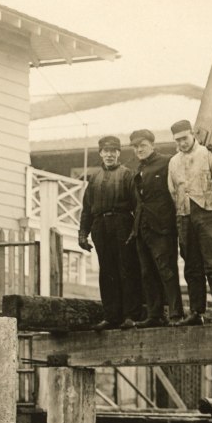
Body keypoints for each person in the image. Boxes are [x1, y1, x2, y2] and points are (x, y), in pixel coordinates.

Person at [167, 119, 212, 324]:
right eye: (178, 140)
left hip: (208, 214)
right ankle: (197, 313)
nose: (182, 143)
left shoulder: (209, 155)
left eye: (185, 138)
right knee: (191, 266)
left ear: (192, 134)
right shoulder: (173, 162)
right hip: (184, 216)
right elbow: (172, 190)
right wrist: (182, 211)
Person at [76, 135, 144, 328]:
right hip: (100, 226)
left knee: (127, 269)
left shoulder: (127, 175)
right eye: (106, 151)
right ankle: (111, 316)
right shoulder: (94, 178)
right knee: (107, 271)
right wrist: (83, 234)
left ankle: (131, 315)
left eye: (113, 151)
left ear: (119, 153)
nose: (109, 155)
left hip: (122, 223)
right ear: (100, 154)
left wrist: (134, 229)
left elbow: (138, 205)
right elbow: (87, 209)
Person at [129, 128, 185, 326]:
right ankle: (155, 315)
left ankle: (176, 314)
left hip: (162, 227)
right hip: (142, 228)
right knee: (147, 273)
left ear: (152, 145)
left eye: (142, 145)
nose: (139, 149)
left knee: (167, 270)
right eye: (135, 147)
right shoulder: (139, 168)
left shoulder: (168, 162)